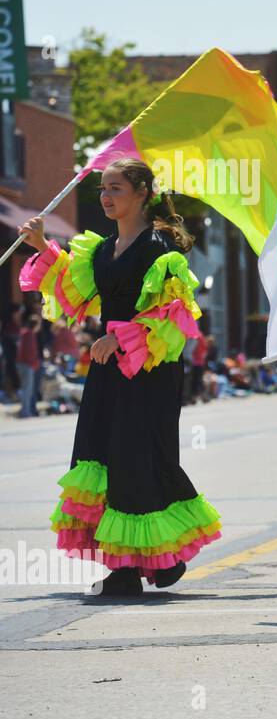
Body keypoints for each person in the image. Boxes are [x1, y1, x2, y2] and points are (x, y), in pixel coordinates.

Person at [18, 159, 220, 595]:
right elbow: (75, 288)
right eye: (103, 189)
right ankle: (157, 560)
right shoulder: (103, 249)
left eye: (117, 188)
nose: (107, 197)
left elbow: (174, 318)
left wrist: (122, 338)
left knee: (138, 458)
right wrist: (41, 245)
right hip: (110, 371)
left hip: (148, 371)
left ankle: (130, 571)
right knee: (104, 456)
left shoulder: (160, 251)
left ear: (142, 192)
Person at [16, 313, 42, 417]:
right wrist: (35, 363)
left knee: (24, 388)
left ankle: (24, 410)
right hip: (27, 364)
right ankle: (25, 412)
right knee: (28, 389)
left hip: (21, 363)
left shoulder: (23, 332)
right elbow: (31, 352)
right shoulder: (30, 334)